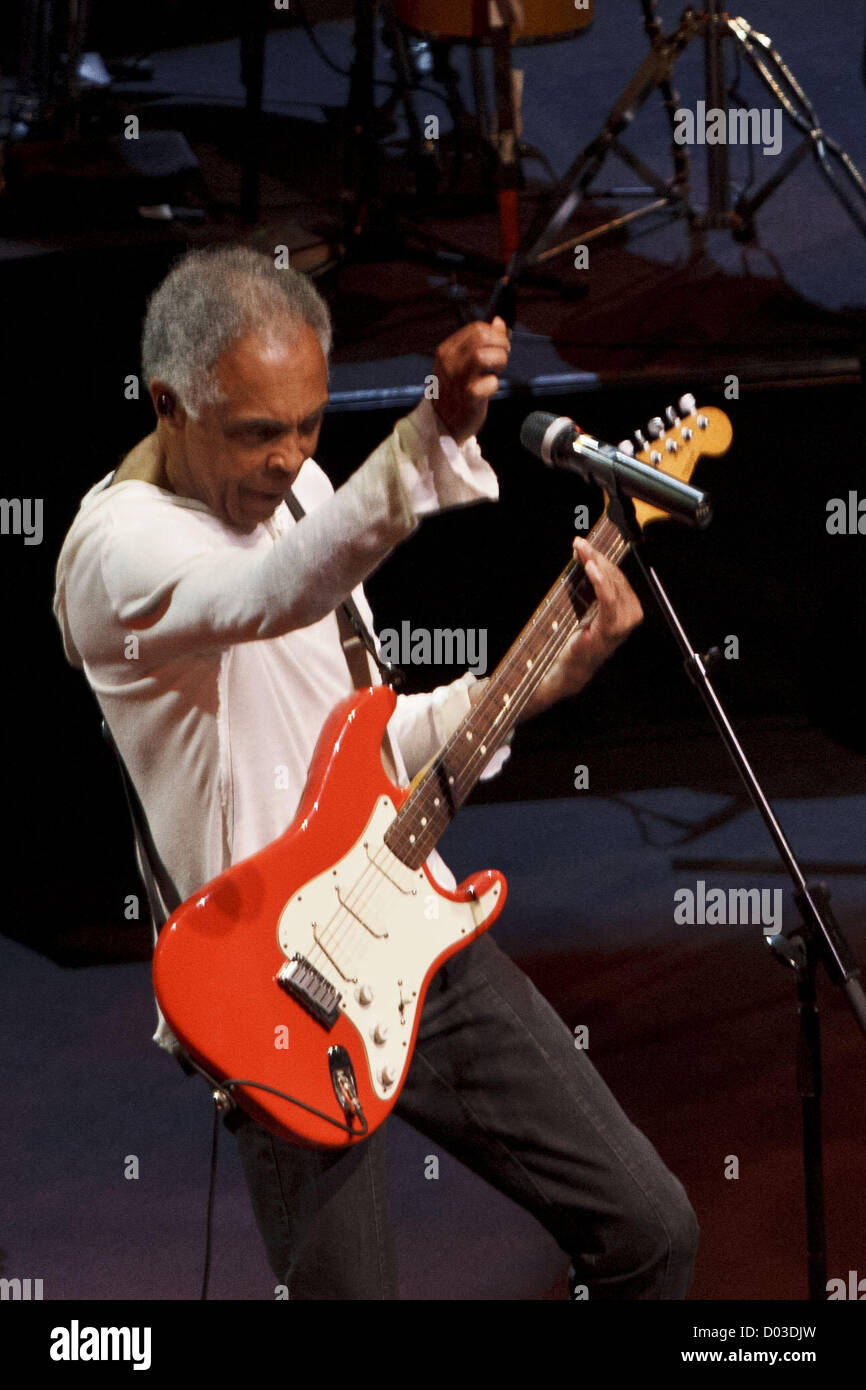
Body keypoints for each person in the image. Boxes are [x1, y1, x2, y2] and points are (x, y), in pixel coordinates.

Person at [53, 245, 698, 1300]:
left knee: (652, 1230)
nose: (291, 457)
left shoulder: (304, 492)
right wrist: (430, 438)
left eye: (308, 422)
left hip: (399, 918)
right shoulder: (115, 556)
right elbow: (271, 592)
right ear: (168, 403)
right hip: (270, 994)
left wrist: (541, 676)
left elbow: (375, 739)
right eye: (259, 430)